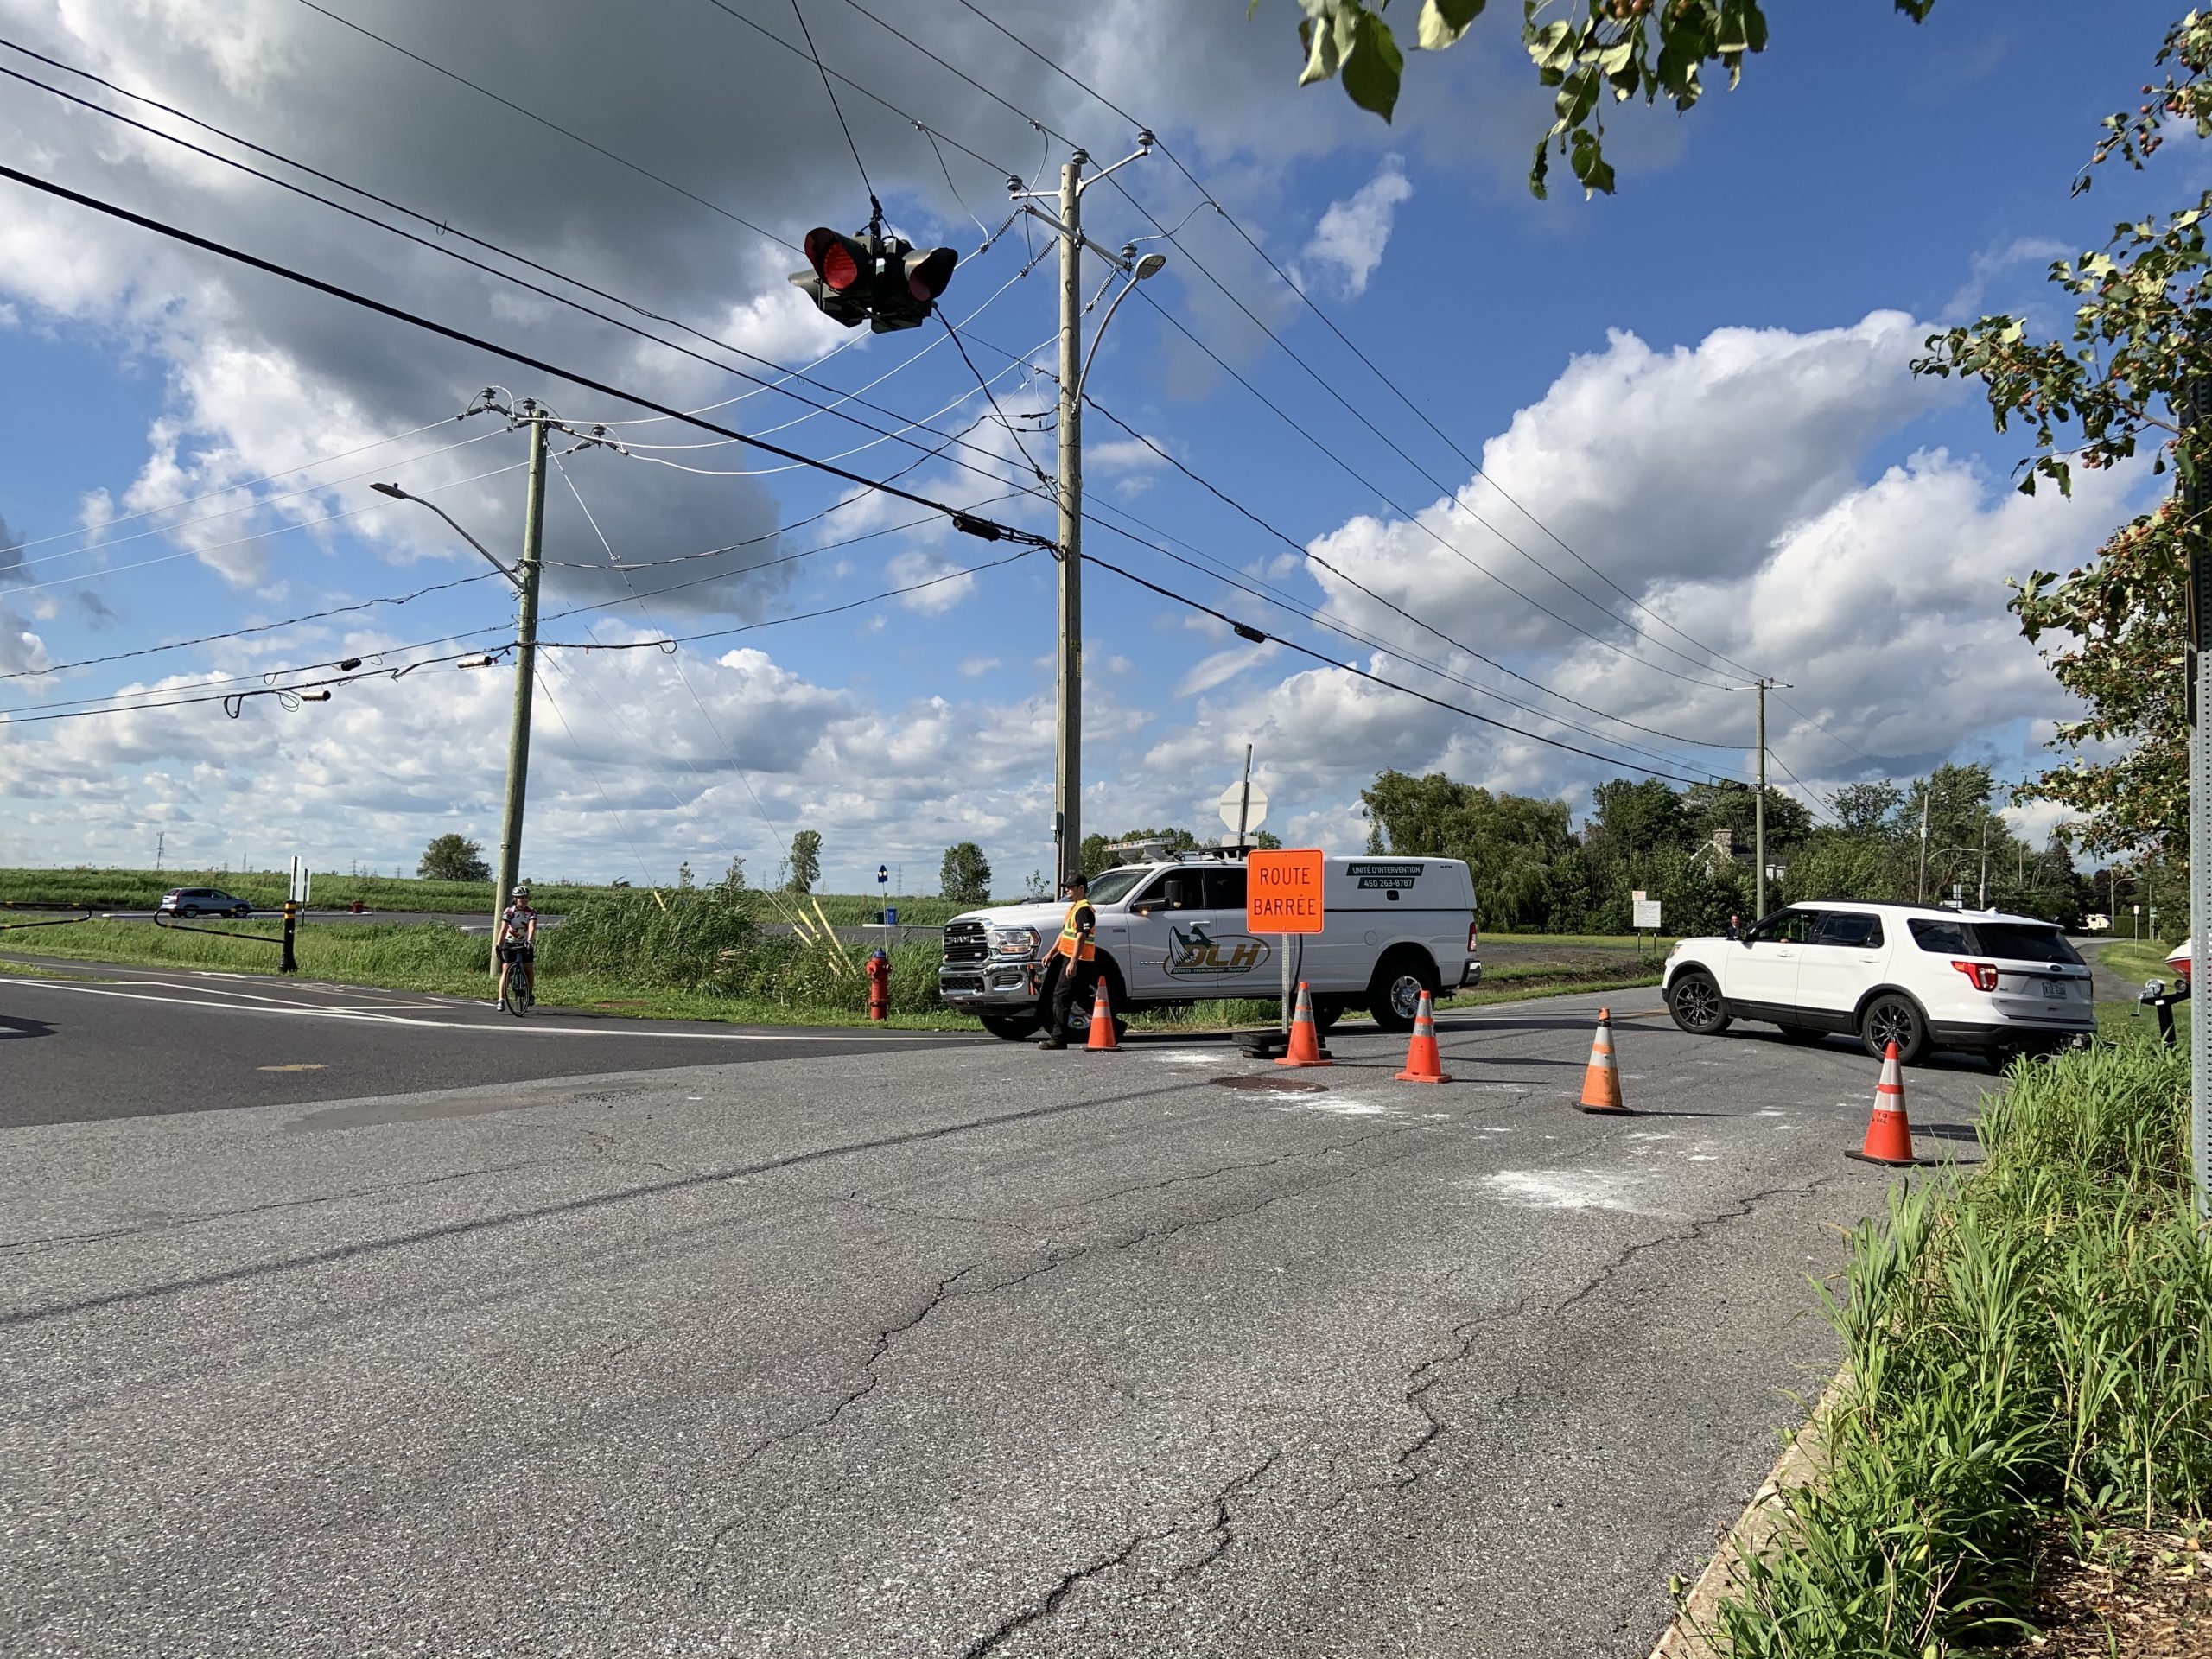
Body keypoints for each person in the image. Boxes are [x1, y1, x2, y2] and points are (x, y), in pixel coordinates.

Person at [1039, 873, 1097, 1050]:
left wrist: (1073, 962)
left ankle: (1058, 1038)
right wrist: (1051, 953)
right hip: (1071, 958)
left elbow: (1081, 937)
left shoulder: (1083, 910)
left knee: (1061, 996)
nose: (1067, 890)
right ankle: (1112, 1025)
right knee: (1080, 997)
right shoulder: (1074, 908)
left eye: (1071, 887)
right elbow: (1064, 934)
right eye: (1067, 887)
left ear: (1081, 888)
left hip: (1079, 961)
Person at [494, 885, 538, 1008]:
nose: (523, 900)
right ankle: (501, 999)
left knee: (529, 970)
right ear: (515, 899)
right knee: (506, 971)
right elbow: (503, 929)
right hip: (510, 942)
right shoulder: (509, 911)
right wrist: (498, 944)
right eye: (520, 898)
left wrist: (529, 940)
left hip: (525, 942)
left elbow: (532, 927)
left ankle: (529, 994)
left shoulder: (531, 911)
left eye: (526, 898)